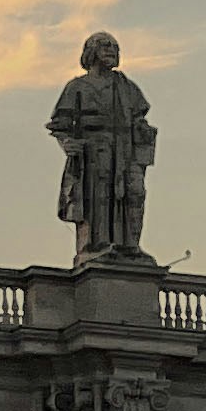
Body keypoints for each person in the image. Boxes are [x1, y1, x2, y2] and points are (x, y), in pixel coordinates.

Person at [46, 31, 156, 262]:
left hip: (125, 150)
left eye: (115, 48)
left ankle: (130, 245)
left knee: (134, 193)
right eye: (106, 46)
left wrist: (143, 131)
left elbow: (139, 118)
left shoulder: (126, 87)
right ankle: (96, 245)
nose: (111, 51)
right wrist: (67, 142)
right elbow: (60, 124)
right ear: (92, 52)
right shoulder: (77, 87)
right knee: (99, 196)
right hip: (94, 151)